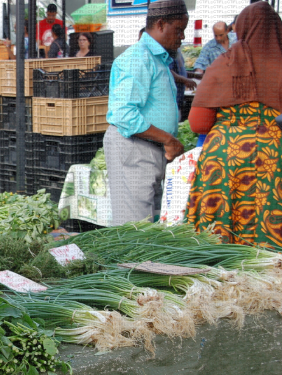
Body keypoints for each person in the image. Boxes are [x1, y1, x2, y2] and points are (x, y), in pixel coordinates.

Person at [186, 1, 282, 248]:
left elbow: (198, 123)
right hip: (274, 157)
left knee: (217, 242)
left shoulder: (223, 63)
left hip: (224, 160)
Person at [104, 0, 188, 225]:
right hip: (134, 146)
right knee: (135, 232)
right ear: (161, 24)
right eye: (178, 30)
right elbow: (123, 114)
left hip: (150, 147)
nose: (182, 37)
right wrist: (168, 139)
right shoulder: (137, 58)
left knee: (148, 228)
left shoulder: (157, 59)